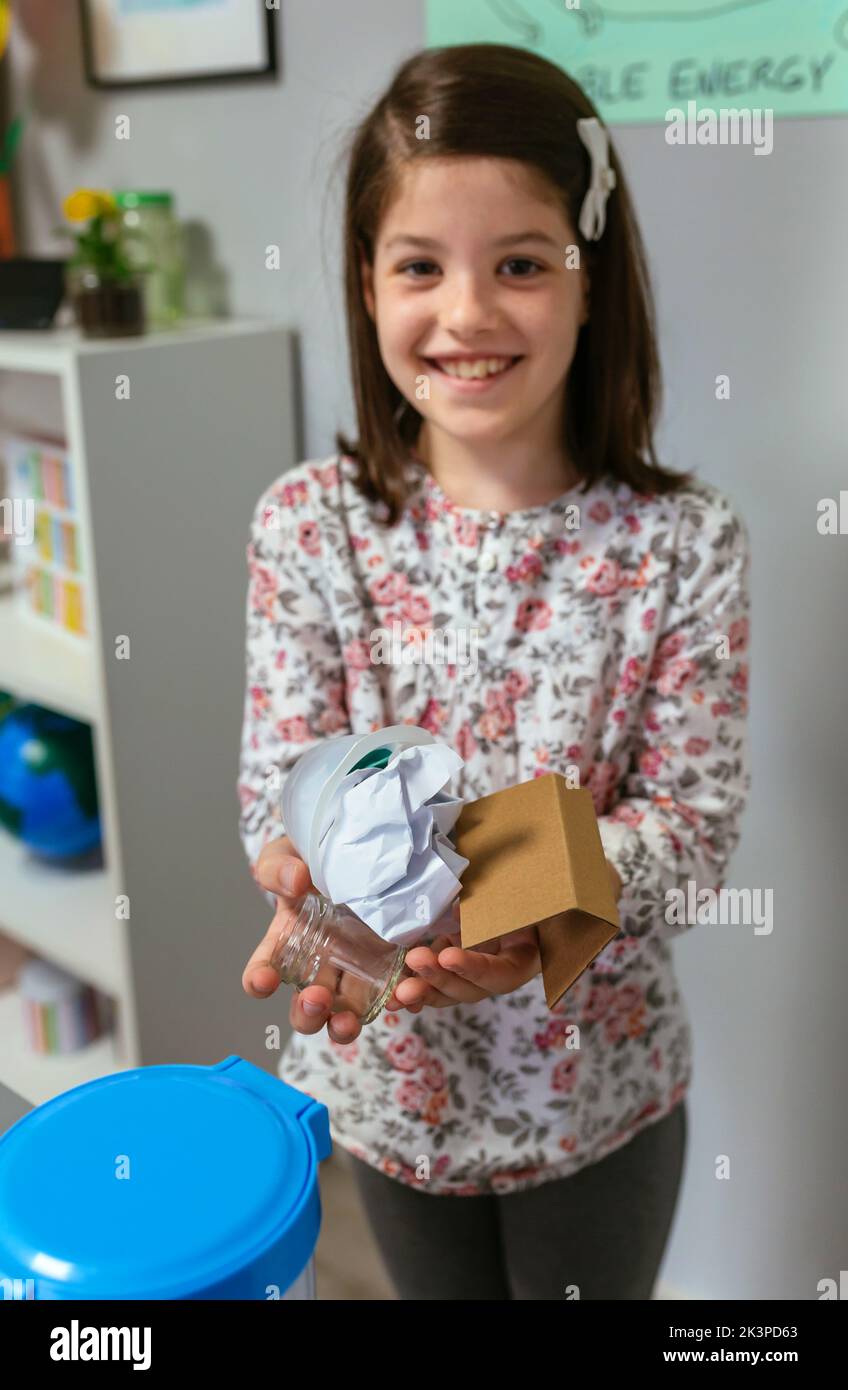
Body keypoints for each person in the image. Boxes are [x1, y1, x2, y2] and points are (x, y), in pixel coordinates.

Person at [238, 44, 751, 1300]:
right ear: (366, 286)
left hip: (599, 1099)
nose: (465, 313)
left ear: (592, 284)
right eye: (420, 265)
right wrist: (305, 874)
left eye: (519, 263)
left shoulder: (682, 544)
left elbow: (688, 827)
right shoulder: (311, 525)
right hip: (389, 1086)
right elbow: (278, 779)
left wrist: (528, 903)